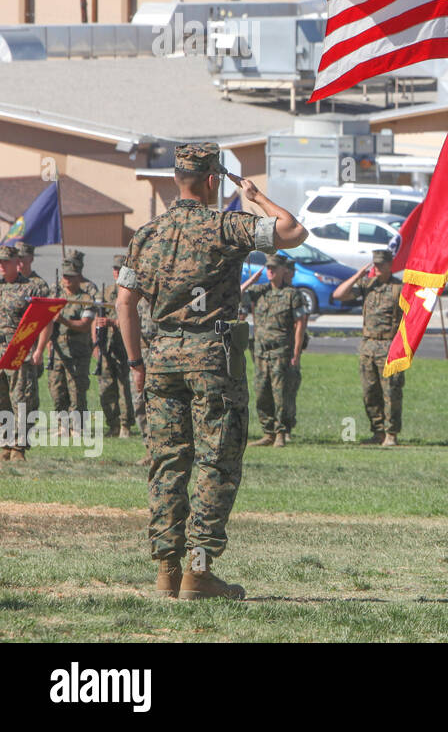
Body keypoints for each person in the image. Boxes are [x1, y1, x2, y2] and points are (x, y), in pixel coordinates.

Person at [115, 142, 306, 599]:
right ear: (213, 180)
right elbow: (293, 231)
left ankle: (165, 570)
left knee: (167, 463)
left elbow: (124, 301)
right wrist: (255, 196)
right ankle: (197, 573)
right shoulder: (227, 225)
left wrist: (137, 363)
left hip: (160, 360)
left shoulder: (147, 234)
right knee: (215, 462)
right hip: (212, 362)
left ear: (177, 178)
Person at [333, 250, 404, 447]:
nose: (378, 267)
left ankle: (391, 434)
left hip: (389, 345)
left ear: (391, 265)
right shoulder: (367, 285)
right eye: (375, 264)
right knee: (370, 392)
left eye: (382, 264)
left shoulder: (399, 287)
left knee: (391, 392)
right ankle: (378, 431)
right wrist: (357, 276)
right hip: (368, 346)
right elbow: (338, 294)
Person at [242, 254, 308, 448]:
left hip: (281, 351)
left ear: (282, 271)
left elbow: (300, 324)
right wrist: (250, 281)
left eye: (274, 268)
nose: (270, 271)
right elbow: (235, 295)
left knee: (281, 394)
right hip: (260, 352)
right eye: (268, 268)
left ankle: (281, 432)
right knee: (262, 392)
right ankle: (268, 432)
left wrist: (296, 352)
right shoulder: (258, 291)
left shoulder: (292, 294)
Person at [48, 256, 96, 437]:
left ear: (78, 277)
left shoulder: (85, 299)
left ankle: (77, 427)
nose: (67, 279)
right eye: (65, 276)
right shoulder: (56, 297)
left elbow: (85, 324)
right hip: (58, 352)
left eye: (71, 276)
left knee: (77, 390)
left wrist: (63, 320)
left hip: (78, 352)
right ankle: (62, 425)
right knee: (56, 389)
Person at [13, 242, 53, 452]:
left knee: (28, 398)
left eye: (23, 257)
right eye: (16, 257)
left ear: (31, 258)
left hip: (29, 353)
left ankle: (22, 443)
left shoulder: (39, 285)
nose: (19, 261)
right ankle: (9, 441)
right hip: (8, 352)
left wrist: (40, 349)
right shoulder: (8, 283)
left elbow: (47, 321)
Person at [0, 245, 39, 461]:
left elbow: (44, 321)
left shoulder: (30, 289)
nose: (2, 265)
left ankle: (19, 447)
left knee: (20, 399)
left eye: (6, 261)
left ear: (18, 262)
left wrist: (39, 349)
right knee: (2, 400)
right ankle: (5, 443)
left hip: (18, 349)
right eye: (0, 261)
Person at [94, 254, 136, 439]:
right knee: (106, 386)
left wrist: (115, 322)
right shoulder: (106, 292)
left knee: (124, 387)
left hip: (124, 346)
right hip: (107, 346)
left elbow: (133, 319)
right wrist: (96, 342)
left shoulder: (133, 291)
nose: (116, 272)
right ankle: (113, 423)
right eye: (114, 268)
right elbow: (95, 320)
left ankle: (126, 424)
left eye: (120, 269)